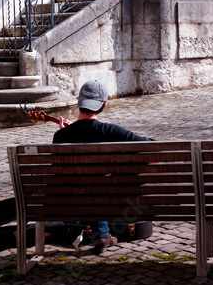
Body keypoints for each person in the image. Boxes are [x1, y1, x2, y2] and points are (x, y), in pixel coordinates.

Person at [52, 79, 153, 252]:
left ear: (78, 101)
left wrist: (64, 132)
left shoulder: (60, 137)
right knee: (103, 182)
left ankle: (102, 234)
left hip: (70, 200)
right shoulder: (112, 132)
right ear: (104, 105)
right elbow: (151, 147)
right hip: (113, 198)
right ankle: (102, 234)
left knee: (87, 183)